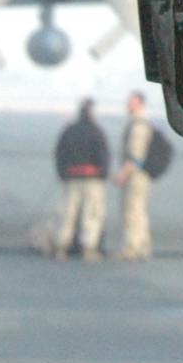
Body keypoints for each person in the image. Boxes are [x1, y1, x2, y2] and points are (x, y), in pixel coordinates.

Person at [51, 97, 109, 258]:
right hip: (93, 179)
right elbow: (103, 156)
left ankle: (61, 246)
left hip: (71, 177)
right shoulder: (97, 131)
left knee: (67, 213)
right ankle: (88, 248)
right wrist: (103, 174)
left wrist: (62, 173)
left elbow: (60, 153)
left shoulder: (69, 130)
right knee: (91, 214)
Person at [116, 91, 155, 262]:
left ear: (139, 102)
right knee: (138, 210)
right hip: (140, 174)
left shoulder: (138, 125)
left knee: (132, 210)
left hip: (135, 175)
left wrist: (122, 174)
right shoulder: (141, 123)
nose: (127, 104)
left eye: (131, 101)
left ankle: (132, 247)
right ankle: (142, 246)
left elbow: (135, 156)